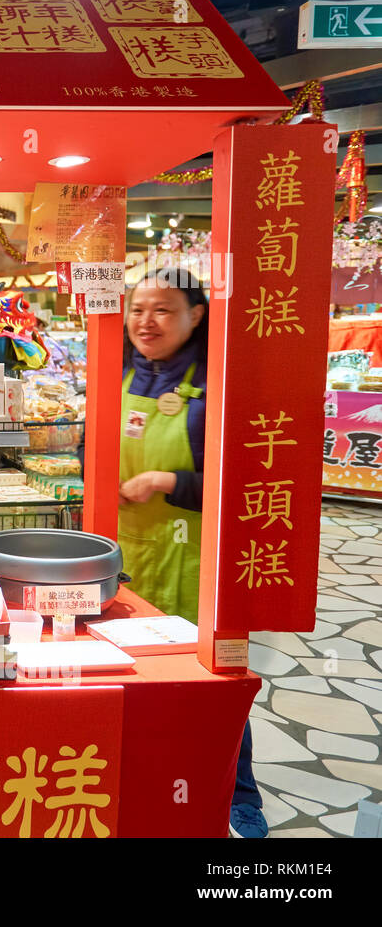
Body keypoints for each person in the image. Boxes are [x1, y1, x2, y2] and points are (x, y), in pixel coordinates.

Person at [119, 267, 265, 839]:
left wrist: (165, 478)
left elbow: (246, 483)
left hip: (196, 560)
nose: (145, 322)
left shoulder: (218, 384)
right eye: (137, 308)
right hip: (129, 554)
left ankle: (238, 801)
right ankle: (151, 792)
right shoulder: (122, 373)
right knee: (140, 680)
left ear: (196, 315)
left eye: (162, 309)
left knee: (213, 680)